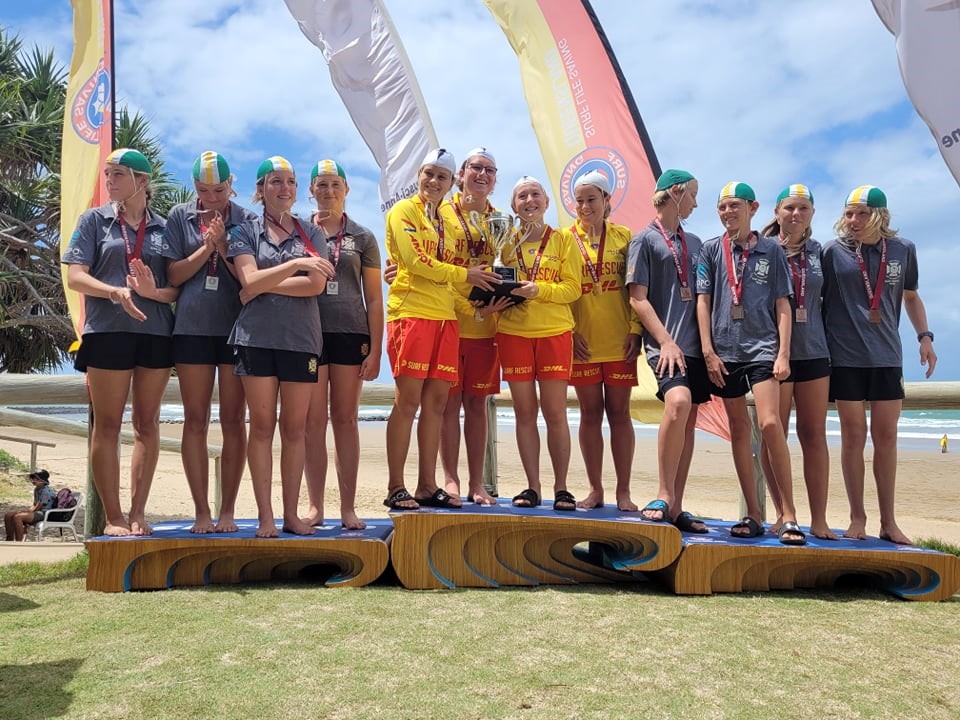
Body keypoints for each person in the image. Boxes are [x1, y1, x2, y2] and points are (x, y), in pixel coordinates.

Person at [63, 148, 177, 537]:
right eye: (107, 174)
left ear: (141, 181)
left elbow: (176, 286)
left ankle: (137, 513)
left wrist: (153, 291)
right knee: (107, 425)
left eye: (117, 175)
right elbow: (75, 276)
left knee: (147, 423)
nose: (108, 181)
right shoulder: (94, 220)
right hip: (107, 331)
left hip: (156, 333)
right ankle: (113, 517)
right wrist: (115, 293)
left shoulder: (164, 227)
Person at [383, 148, 500, 510]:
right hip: (411, 314)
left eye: (441, 177)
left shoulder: (444, 222)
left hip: (446, 319)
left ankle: (426, 484)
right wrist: (466, 274)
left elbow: (447, 282)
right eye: (429, 174)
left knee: (436, 403)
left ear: (451, 183)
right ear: (419, 175)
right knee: (408, 403)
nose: (433, 182)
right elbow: (417, 263)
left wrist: (476, 310)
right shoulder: (404, 211)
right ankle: (395, 485)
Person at [822, 185, 937, 544]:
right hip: (845, 358)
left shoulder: (903, 250)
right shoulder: (831, 252)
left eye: (861, 213)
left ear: (879, 215)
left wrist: (925, 337)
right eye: (849, 214)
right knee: (853, 438)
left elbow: (912, 297)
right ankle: (858, 517)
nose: (853, 221)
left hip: (887, 357)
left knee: (886, 438)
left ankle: (889, 521)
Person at [227, 156, 334, 538]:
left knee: (295, 430)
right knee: (261, 428)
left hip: (301, 341)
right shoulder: (242, 230)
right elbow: (248, 278)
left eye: (290, 182)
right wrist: (294, 267)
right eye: (276, 182)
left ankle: (291, 514)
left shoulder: (311, 232)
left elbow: (315, 286)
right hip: (255, 339)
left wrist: (259, 283)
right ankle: (266, 517)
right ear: (261, 189)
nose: (284, 188)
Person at [695, 181, 806, 545]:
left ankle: (788, 515)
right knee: (739, 431)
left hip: (762, 349)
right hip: (725, 353)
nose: (728, 212)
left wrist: (784, 353)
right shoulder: (711, 249)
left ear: (753, 208)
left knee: (771, 424)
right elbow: (703, 301)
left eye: (735, 206)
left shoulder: (772, 251)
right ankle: (753, 514)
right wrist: (708, 350)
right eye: (722, 206)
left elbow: (783, 304)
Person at [163, 151, 255, 534]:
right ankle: (202, 511)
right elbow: (173, 274)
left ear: (232, 185)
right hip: (192, 329)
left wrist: (222, 247)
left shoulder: (248, 219)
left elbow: (249, 279)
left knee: (234, 420)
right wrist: (206, 247)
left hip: (238, 329)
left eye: (219, 190)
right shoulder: (179, 216)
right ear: (194, 186)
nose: (212, 197)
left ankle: (229, 510)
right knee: (195, 419)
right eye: (204, 190)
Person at [301, 159, 383, 530]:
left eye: (335, 185)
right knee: (312, 422)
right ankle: (316, 507)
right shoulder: (300, 232)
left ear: (346, 191)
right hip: (309, 334)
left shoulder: (363, 237)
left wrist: (376, 348)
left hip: (352, 334)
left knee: (346, 420)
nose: (328, 192)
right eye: (321, 185)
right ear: (311, 190)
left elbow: (375, 298)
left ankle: (348, 507)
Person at [627, 169, 709, 533]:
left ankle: (676, 506)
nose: (695, 202)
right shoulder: (643, 240)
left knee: (688, 423)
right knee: (676, 404)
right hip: (666, 345)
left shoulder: (696, 241)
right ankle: (662, 493)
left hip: (696, 348)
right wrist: (665, 341)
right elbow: (637, 299)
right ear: (675, 193)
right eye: (692, 194)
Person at [497, 176, 582, 509]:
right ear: (514, 206)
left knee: (555, 413)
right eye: (521, 196)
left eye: (535, 194)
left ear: (547, 202)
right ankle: (532, 487)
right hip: (514, 333)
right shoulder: (505, 243)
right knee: (524, 413)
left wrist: (540, 290)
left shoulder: (563, 240)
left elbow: (573, 288)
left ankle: (562, 488)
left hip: (554, 333)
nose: (529, 200)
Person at [758, 185, 837, 540]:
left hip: (815, 352)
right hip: (773, 355)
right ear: (777, 211)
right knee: (773, 431)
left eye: (803, 208)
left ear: (812, 213)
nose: (795, 214)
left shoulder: (821, 252)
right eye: (789, 208)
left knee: (813, 435)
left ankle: (818, 519)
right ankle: (781, 513)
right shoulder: (762, 250)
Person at [566, 171, 641, 511]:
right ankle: (595, 489)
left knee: (619, 413)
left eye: (591, 199)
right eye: (579, 201)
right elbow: (560, 290)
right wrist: (569, 332)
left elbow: (637, 288)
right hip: (581, 343)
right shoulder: (564, 239)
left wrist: (636, 330)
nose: (584, 206)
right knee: (589, 414)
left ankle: (623, 491)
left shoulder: (625, 237)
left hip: (619, 340)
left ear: (607, 201)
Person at [440, 148, 508, 506]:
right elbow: (433, 265)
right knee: (448, 405)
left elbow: (511, 267)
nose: (482, 175)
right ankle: (450, 480)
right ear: (462, 173)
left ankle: (477, 484)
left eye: (490, 171)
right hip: (449, 322)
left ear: (495, 180)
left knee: (478, 404)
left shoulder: (502, 220)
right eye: (476, 168)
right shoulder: (441, 213)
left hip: (486, 327)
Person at [3, 470, 56, 542]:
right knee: (8, 515)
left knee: (18, 517)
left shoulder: (46, 491)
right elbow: (35, 504)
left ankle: (19, 542)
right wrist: (27, 511)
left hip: (44, 513)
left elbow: (39, 506)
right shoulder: (36, 489)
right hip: (37, 511)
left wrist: (27, 512)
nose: (34, 480)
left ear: (42, 480)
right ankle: (9, 539)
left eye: (36, 479)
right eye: (33, 478)